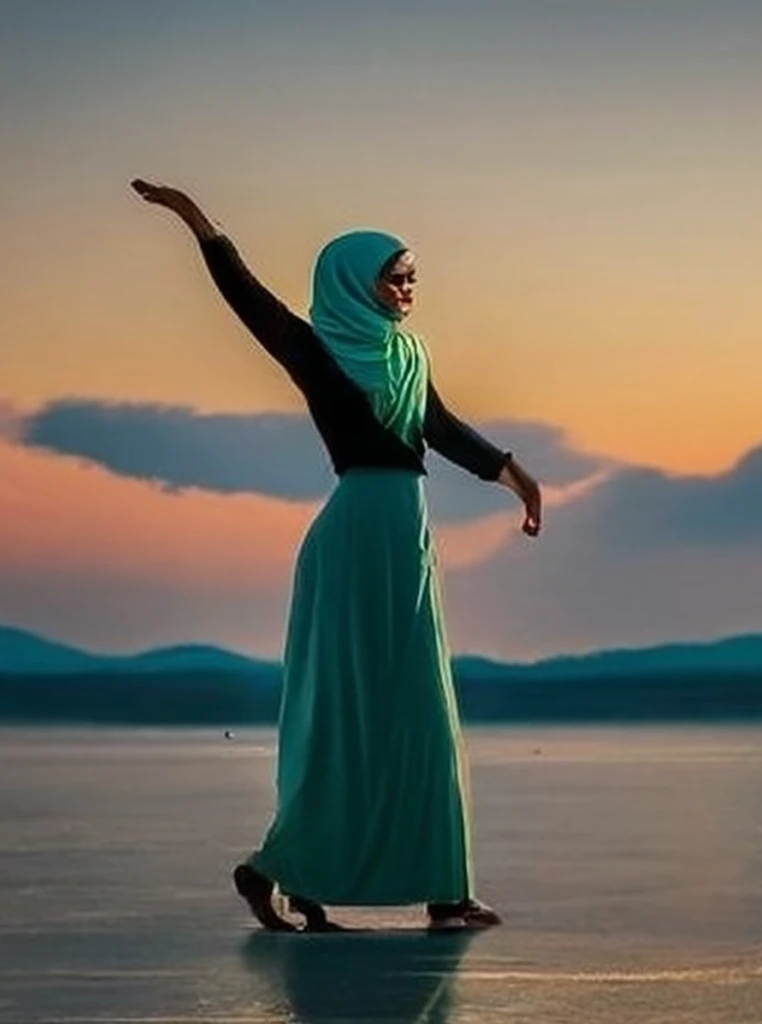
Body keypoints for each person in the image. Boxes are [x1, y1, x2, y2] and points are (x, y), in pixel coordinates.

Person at [131, 179, 542, 932]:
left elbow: (441, 427)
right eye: (397, 276)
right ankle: (279, 871)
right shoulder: (314, 347)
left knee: (422, 714)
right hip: (353, 538)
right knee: (346, 715)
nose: (409, 288)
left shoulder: (410, 355)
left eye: (414, 276)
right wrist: (196, 219)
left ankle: (445, 891)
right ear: (356, 281)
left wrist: (516, 477)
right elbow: (245, 295)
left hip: (406, 540)